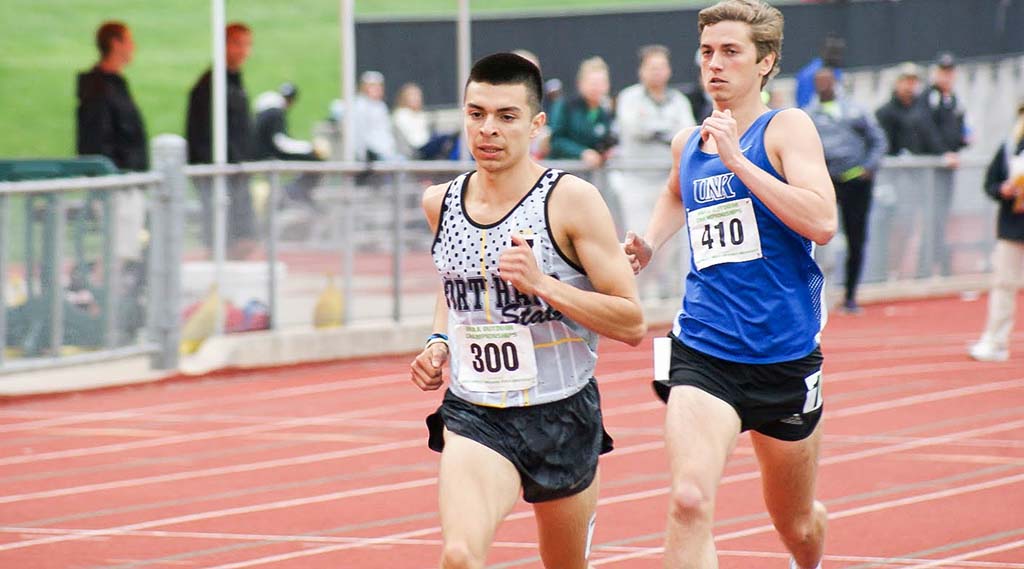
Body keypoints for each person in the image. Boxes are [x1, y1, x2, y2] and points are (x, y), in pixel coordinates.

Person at [409, 52, 645, 569]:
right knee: (458, 556)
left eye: (506, 116)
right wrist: (439, 341)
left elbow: (631, 321)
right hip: (476, 412)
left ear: (537, 124)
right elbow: (455, 283)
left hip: (561, 411)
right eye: (476, 114)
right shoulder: (440, 203)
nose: (488, 129)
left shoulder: (571, 201)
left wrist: (543, 284)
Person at [623, 2, 837, 568]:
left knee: (795, 522)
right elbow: (676, 191)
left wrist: (740, 162)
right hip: (704, 349)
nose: (714, 64)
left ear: (765, 63)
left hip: (784, 356)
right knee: (689, 499)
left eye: (731, 52)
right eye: (707, 52)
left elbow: (822, 221)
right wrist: (650, 240)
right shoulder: (689, 143)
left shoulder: (787, 128)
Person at [614, 44, 696, 299]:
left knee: (671, 245)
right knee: (638, 240)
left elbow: (688, 132)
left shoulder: (679, 100)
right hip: (637, 182)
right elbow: (635, 128)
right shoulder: (629, 98)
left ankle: (670, 298)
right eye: (652, 67)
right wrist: (666, 131)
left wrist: (660, 131)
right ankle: (638, 297)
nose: (657, 72)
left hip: (670, 181)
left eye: (661, 67)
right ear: (641, 71)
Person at [804, 66, 887, 314]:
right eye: (819, 82)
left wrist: (869, 167)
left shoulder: (854, 110)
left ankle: (851, 295)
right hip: (826, 182)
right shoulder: (808, 114)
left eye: (827, 81)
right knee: (814, 238)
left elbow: (878, 140)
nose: (824, 86)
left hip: (856, 182)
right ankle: (811, 295)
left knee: (856, 238)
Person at [76, 21, 148, 273]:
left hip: (126, 180)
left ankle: (105, 302)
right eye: (129, 41)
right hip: (117, 183)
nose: (133, 47)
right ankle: (102, 304)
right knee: (116, 251)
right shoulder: (100, 89)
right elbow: (97, 139)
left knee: (122, 251)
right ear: (115, 44)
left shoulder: (113, 85)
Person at [185, 22, 257, 260]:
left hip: (238, 170)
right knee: (223, 236)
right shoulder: (210, 85)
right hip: (220, 171)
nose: (244, 50)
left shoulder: (234, 82)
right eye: (238, 43)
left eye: (247, 44)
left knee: (244, 237)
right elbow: (199, 132)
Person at [968, 101, 1024, 362]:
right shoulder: (1009, 148)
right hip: (1012, 225)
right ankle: (996, 340)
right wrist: (1002, 190)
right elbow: (990, 183)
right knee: (1003, 283)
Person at [919, 52, 970, 277]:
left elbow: (957, 129)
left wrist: (962, 142)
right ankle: (924, 268)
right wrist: (942, 153)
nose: (947, 76)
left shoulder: (953, 100)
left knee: (941, 219)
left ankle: (938, 265)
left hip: (947, 169)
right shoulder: (929, 98)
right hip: (931, 169)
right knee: (928, 219)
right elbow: (927, 129)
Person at [253, 82, 323, 207]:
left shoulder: (268, 109)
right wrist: (308, 147)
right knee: (315, 160)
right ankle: (293, 195)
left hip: (263, 153)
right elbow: (280, 142)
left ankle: (292, 195)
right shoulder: (275, 112)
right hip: (270, 155)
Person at [391, 82, 456, 160]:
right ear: (404, 98)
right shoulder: (401, 114)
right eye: (413, 95)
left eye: (418, 95)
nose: (417, 98)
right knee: (444, 139)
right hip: (417, 149)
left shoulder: (421, 114)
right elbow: (413, 140)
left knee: (452, 137)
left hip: (427, 144)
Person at [352, 70, 401, 162]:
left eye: (379, 86)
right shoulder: (359, 106)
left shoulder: (381, 106)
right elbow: (359, 135)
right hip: (373, 156)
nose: (377, 89)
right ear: (363, 87)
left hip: (387, 153)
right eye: (373, 86)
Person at [794, 33, 845, 110]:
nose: (836, 57)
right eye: (833, 53)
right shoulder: (808, 75)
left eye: (838, 53)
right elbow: (804, 105)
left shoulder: (836, 70)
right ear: (824, 51)